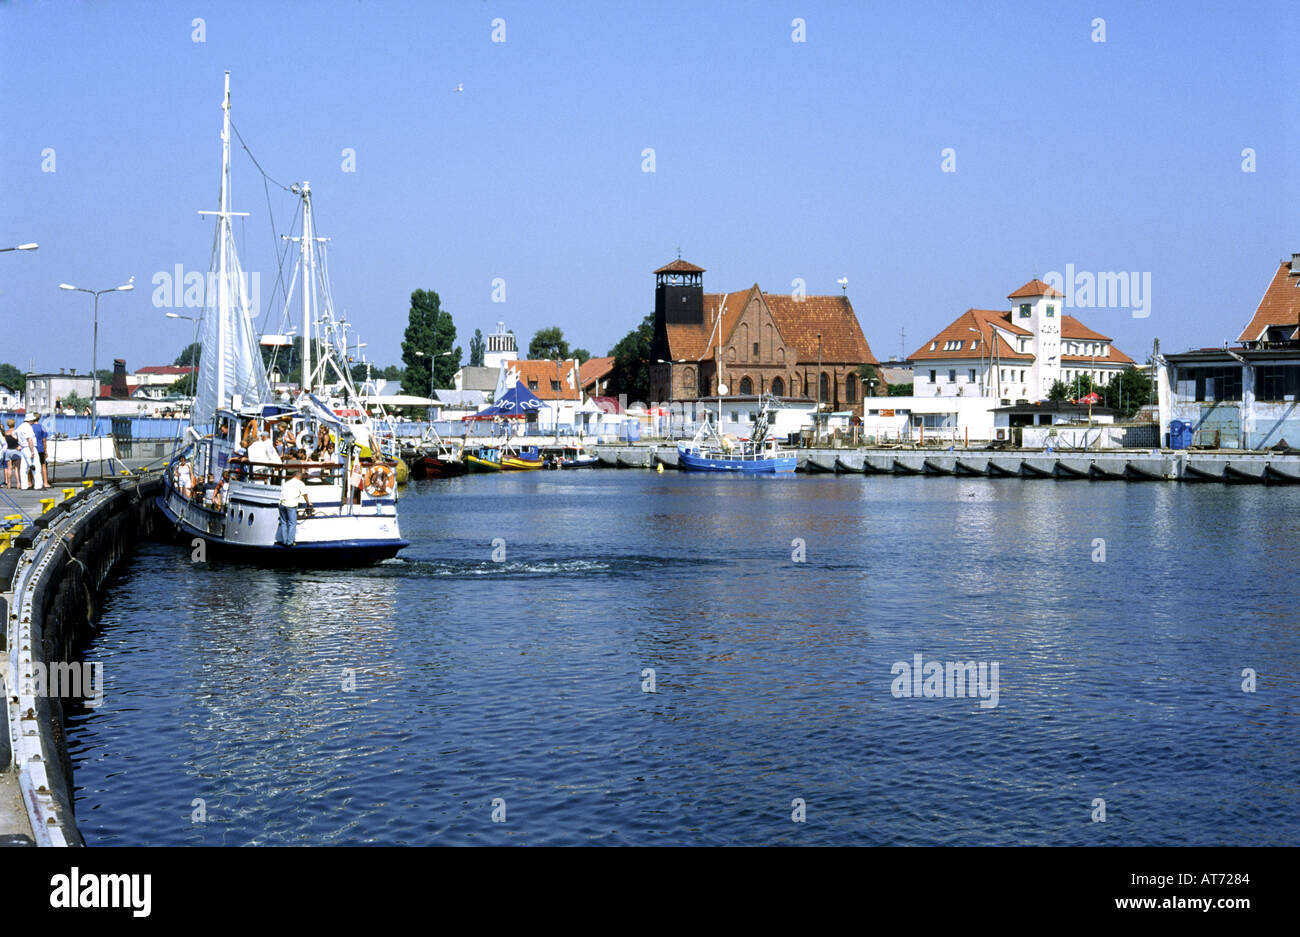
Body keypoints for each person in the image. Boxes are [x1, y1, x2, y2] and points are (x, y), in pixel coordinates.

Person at [276, 468, 311, 547]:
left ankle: (284, 541)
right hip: (291, 505)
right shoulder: (300, 483)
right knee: (292, 523)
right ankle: (290, 542)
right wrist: (308, 503)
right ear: (299, 477)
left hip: (282, 504)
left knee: (284, 523)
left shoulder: (286, 483)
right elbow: (305, 494)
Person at [15, 413, 41, 490]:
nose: (33, 421)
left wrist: (19, 443)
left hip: (23, 448)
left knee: (23, 468)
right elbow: (30, 439)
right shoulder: (28, 427)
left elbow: (13, 435)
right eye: (33, 420)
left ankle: (24, 485)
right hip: (29, 448)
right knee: (35, 466)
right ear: (30, 420)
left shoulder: (20, 427)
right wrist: (32, 451)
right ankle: (38, 485)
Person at [30, 413, 49, 487]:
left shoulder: (30, 427)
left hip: (32, 448)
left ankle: (29, 482)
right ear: (39, 418)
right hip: (40, 448)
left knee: (31, 466)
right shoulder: (42, 427)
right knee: (43, 465)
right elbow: (44, 440)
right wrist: (45, 450)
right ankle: (45, 482)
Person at [2, 418, 21, 488]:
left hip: (8, 451)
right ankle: (18, 483)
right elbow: (19, 441)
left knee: (9, 468)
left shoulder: (6, 433)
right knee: (16, 468)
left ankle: (9, 484)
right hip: (15, 451)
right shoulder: (15, 432)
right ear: (14, 424)